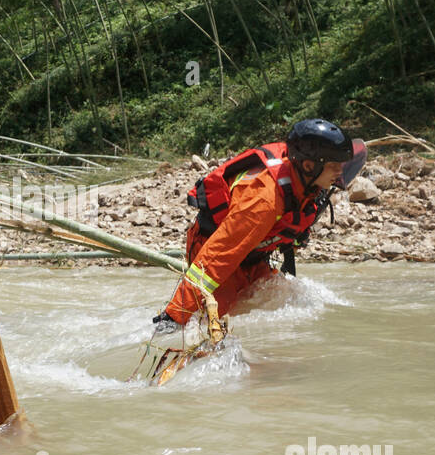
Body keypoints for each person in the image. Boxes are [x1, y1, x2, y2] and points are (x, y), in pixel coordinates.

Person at [154, 119, 359, 329]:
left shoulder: (306, 183)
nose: (340, 173)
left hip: (252, 260)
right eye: (334, 166)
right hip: (218, 258)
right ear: (309, 166)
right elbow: (218, 256)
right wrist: (175, 315)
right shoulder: (264, 200)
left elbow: (291, 221)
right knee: (208, 327)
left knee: (290, 303)